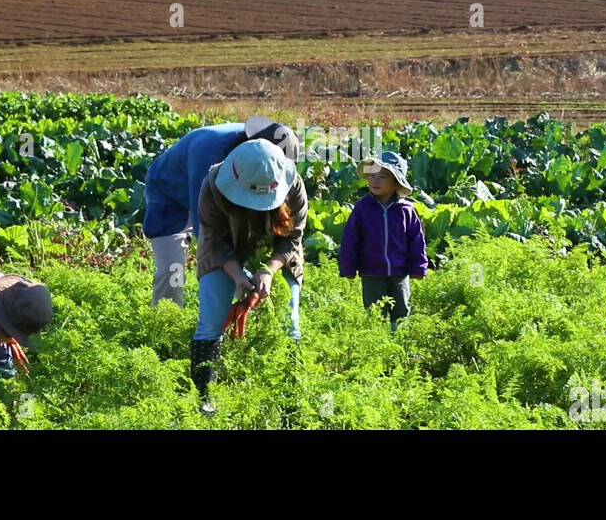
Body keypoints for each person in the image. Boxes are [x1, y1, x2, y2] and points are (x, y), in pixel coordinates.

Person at [190, 140, 307, 414]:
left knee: (290, 324)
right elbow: (215, 240)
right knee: (212, 321)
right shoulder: (213, 185)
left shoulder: (294, 186)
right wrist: (237, 276)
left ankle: (292, 401)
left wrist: (268, 271)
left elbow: (293, 240)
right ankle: (204, 400)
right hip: (226, 249)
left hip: (279, 254)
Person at [143, 116, 301, 308]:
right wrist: (237, 274)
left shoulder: (268, 155)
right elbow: (207, 232)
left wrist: (260, 269)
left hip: (215, 186)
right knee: (172, 270)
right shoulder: (210, 154)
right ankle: (166, 321)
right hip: (170, 196)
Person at [339, 151, 428, 331]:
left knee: (401, 309)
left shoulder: (406, 210)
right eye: (371, 176)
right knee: (374, 311)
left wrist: (419, 267)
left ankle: (400, 343)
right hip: (371, 272)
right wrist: (348, 267)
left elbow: (416, 241)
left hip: (400, 272)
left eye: (382, 176)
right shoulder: (363, 209)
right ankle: (376, 344)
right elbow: (351, 240)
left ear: (396, 182)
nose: (375, 181)